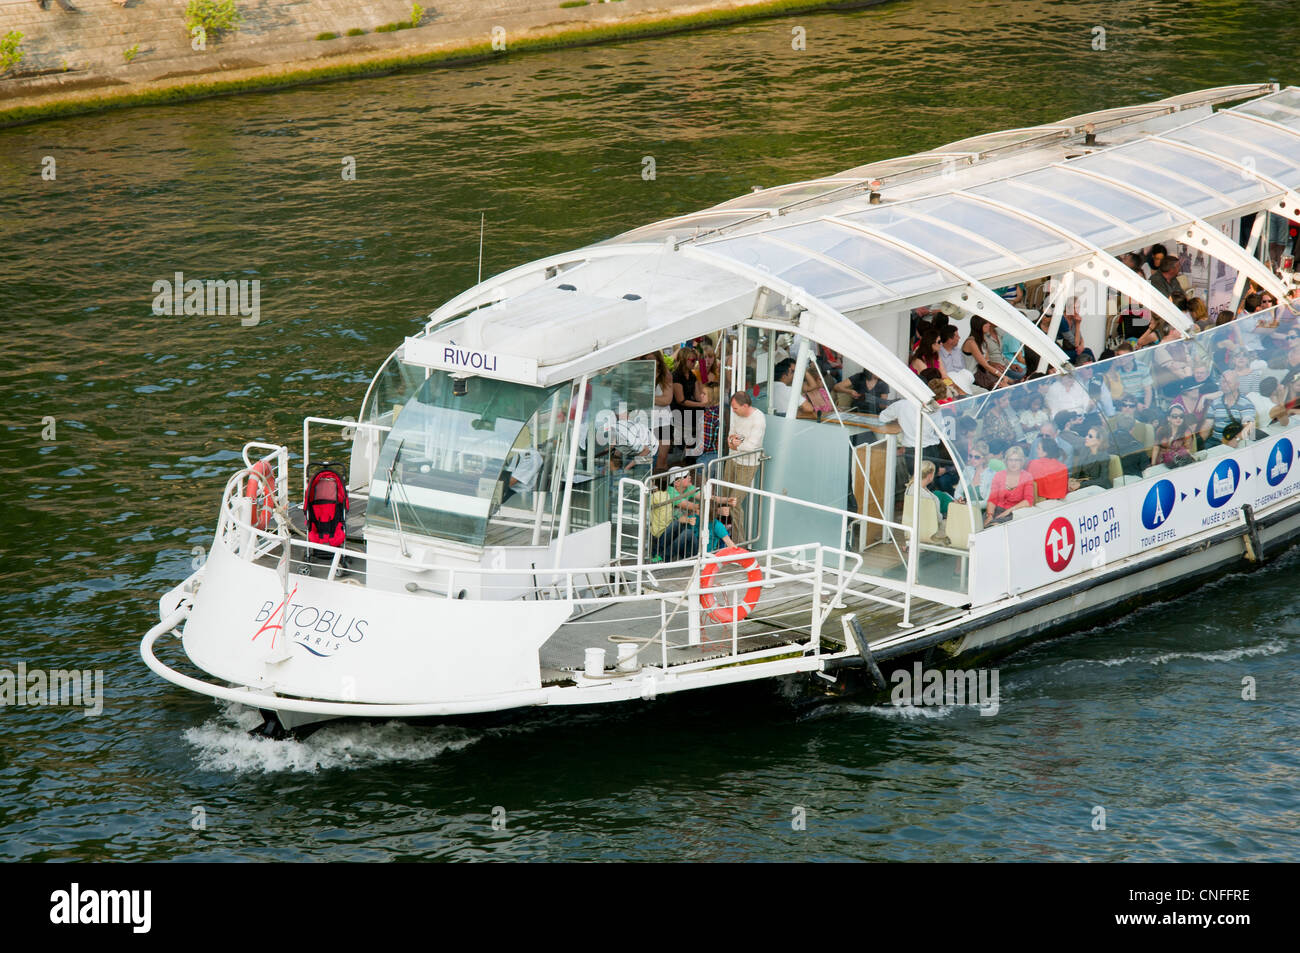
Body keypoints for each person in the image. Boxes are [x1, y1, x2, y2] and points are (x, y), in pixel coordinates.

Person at [723, 391, 766, 539]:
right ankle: (722, 536)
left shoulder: (758, 419)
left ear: (745, 406)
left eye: (735, 408)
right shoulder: (736, 414)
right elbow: (730, 435)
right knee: (722, 497)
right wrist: (735, 443)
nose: (733, 411)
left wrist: (736, 445)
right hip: (732, 459)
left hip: (748, 465)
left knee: (734, 503)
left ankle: (739, 544)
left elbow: (751, 446)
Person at [985, 446, 1036, 525]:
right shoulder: (999, 475)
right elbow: (992, 499)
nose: (1013, 463)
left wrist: (1007, 512)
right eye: (1010, 460)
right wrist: (990, 515)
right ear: (1006, 461)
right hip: (995, 510)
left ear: (1022, 461)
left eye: (1017, 460)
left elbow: (1028, 501)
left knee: (994, 527)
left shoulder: (1027, 476)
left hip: (1015, 512)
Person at [963, 316, 1007, 390]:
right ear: (979, 325)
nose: (989, 325)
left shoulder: (982, 341)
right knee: (1001, 386)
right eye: (986, 323)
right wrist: (1002, 376)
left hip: (981, 373)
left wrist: (993, 364)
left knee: (1004, 384)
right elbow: (985, 365)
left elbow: (986, 361)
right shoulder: (971, 342)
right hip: (973, 376)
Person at [649, 351, 674, 472]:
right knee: (646, 456)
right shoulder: (641, 374)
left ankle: (661, 487)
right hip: (645, 421)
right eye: (646, 359)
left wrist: (647, 398)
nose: (649, 363)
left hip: (663, 421)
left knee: (662, 457)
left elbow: (667, 399)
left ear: (659, 361)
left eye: (652, 360)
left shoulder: (666, 375)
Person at [1069, 426, 1113, 491]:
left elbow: (1103, 480)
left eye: (1090, 436)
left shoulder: (1104, 456)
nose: (1086, 437)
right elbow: (1079, 472)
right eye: (1087, 435)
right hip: (1085, 487)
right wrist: (1072, 479)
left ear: (1099, 440)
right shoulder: (1084, 451)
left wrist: (1081, 485)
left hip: (1099, 489)